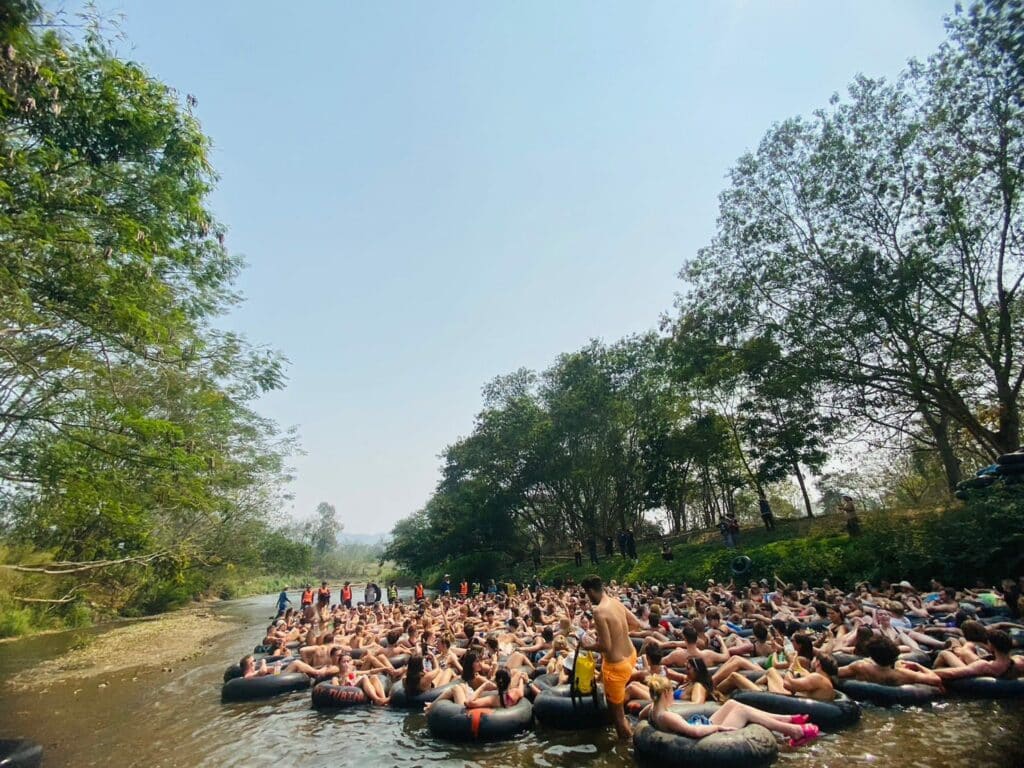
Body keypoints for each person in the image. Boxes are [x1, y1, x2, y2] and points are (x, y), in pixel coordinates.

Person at [641, 675, 820, 748]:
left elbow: (641, 716)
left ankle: (788, 718)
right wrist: (719, 728)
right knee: (741, 710)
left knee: (732, 703)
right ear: (665, 693)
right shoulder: (667, 716)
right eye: (672, 692)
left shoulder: (651, 710)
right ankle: (793, 731)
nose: (673, 695)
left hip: (701, 724)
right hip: (707, 735)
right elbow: (694, 732)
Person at [581, 574, 644, 739]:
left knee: (618, 717)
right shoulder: (616, 601)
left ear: (590, 591)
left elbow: (605, 647)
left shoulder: (599, 611)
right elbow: (636, 624)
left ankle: (627, 749)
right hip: (631, 656)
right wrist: (619, 636)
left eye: (587, 595)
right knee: (617, 705)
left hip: (616, 666)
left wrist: (588, 645)